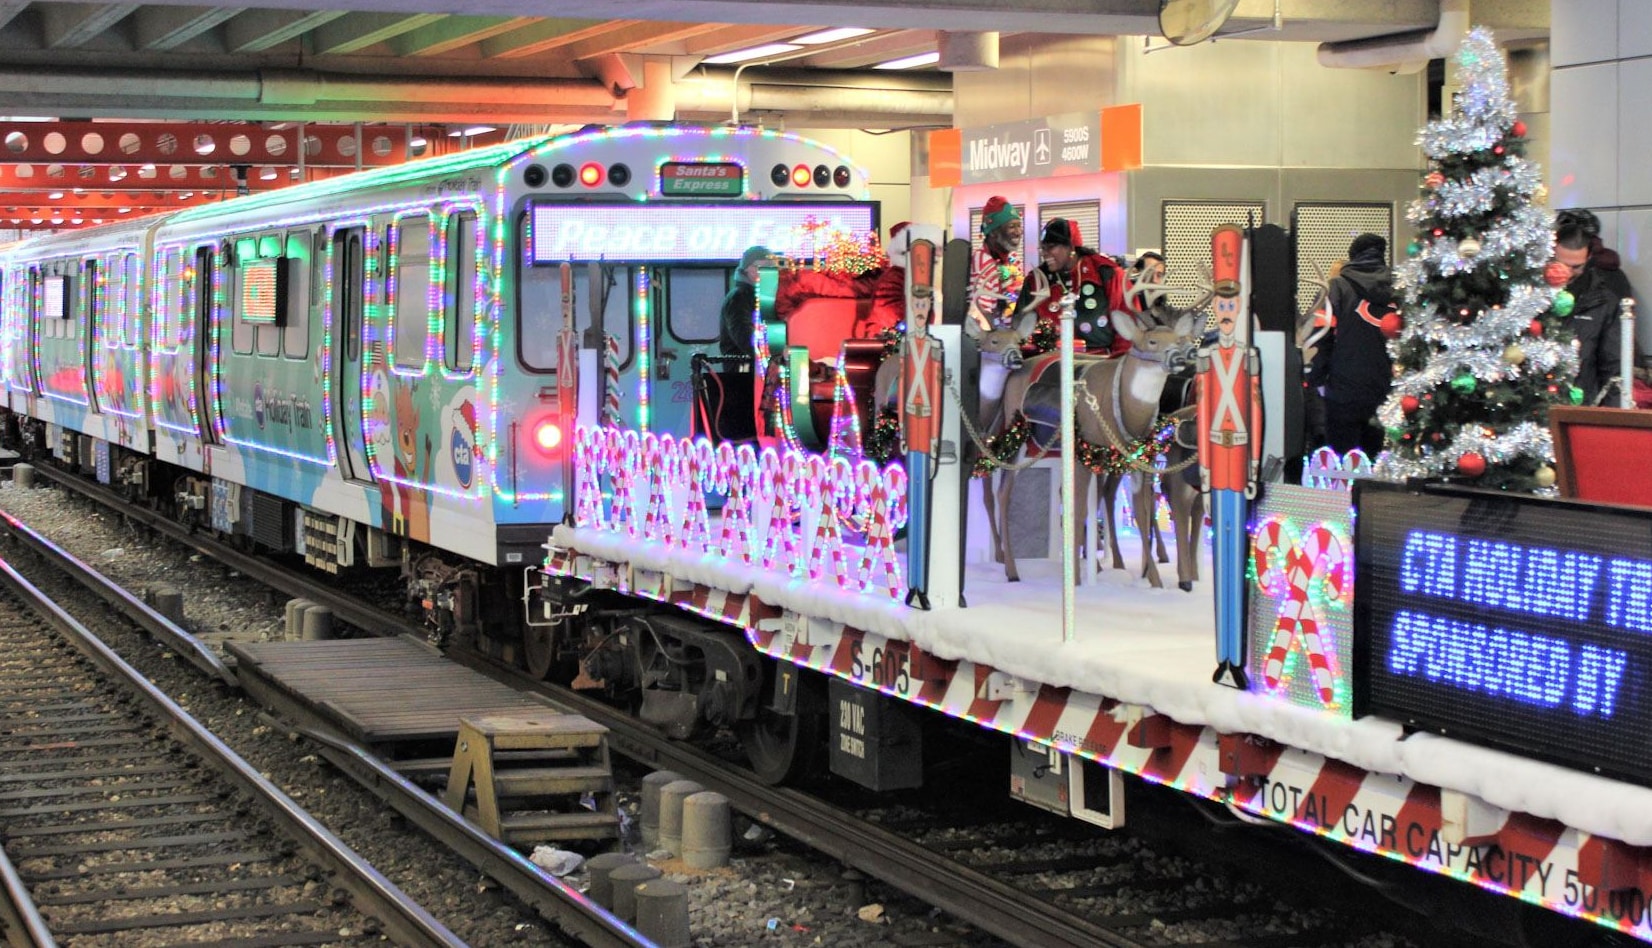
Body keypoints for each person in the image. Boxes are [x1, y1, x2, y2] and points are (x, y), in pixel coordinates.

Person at [1307, 233, 1396, 457]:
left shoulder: (1336, 288)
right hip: (1384, 387)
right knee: (1372, 456)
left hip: (1342, 389)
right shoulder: (1399, 289)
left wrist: (1317, 380)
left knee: (1341, 459)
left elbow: (1321, 337)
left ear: (1352, 256)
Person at [1554, 209, 1636, 405]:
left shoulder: (1604, 300)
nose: (1567, 273)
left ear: (1589, 258)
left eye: (1576, 267)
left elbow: (1614, 369)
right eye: (1561, 264)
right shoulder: (1530, 295)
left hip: (1580, 403)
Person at [1015, 218, 1130, 354]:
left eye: (1051, 247)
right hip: (1051, 365)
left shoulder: (1105, 272)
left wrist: (1116, 365)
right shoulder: (1036, 280)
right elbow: (1019, 327)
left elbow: (1127, 327)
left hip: (1101, 364)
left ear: (1071, 246)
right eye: (1043, 248)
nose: (1045, 253)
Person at [968, 196, 1023, 336]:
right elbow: (981, 312)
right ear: (993, 232)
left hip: (1013, 336)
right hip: (993, 340)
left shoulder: (1013, 258)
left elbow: (1019, 298)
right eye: (1012, 226)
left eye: (1019, 225)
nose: (1018, 232)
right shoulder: (981, 260)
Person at [718, 245, 771, 359]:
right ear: (749, 269)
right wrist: (771, 356)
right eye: (762, 267)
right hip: (743, 370)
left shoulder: (762, 296)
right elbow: (744, 336)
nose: (767, 272)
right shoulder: (738, 298)